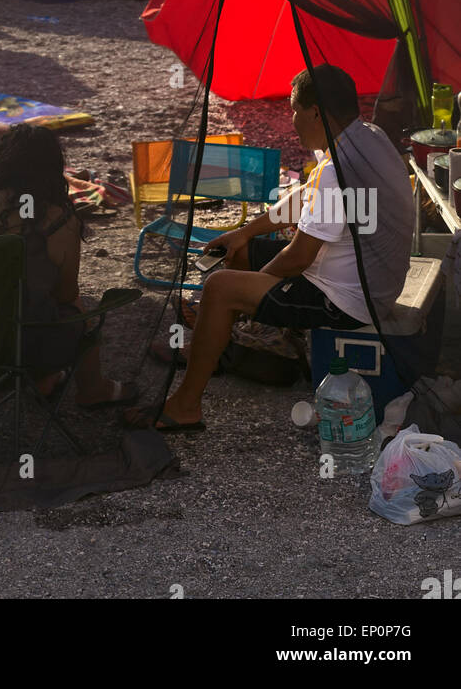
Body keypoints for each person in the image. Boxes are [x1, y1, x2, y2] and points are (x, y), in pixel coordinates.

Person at [152, 64, 415, 434]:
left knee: (220, 287)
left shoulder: (340, 169)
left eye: (293, 109)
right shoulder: (368, 136)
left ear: (315, 113)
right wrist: (244, 232)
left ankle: (186, 406)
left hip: (347, 299)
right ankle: (219, 345)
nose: (291, 119)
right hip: (373, 281)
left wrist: (252, 289)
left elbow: (299, 257)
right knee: (238, 254)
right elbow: (304, 195)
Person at [0, 124, 138, 405]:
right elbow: (65, 294)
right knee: (77, 308)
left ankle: (40, 381)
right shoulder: (60, 221)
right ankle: (92, 390)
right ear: (54, 169)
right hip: (25, 344)